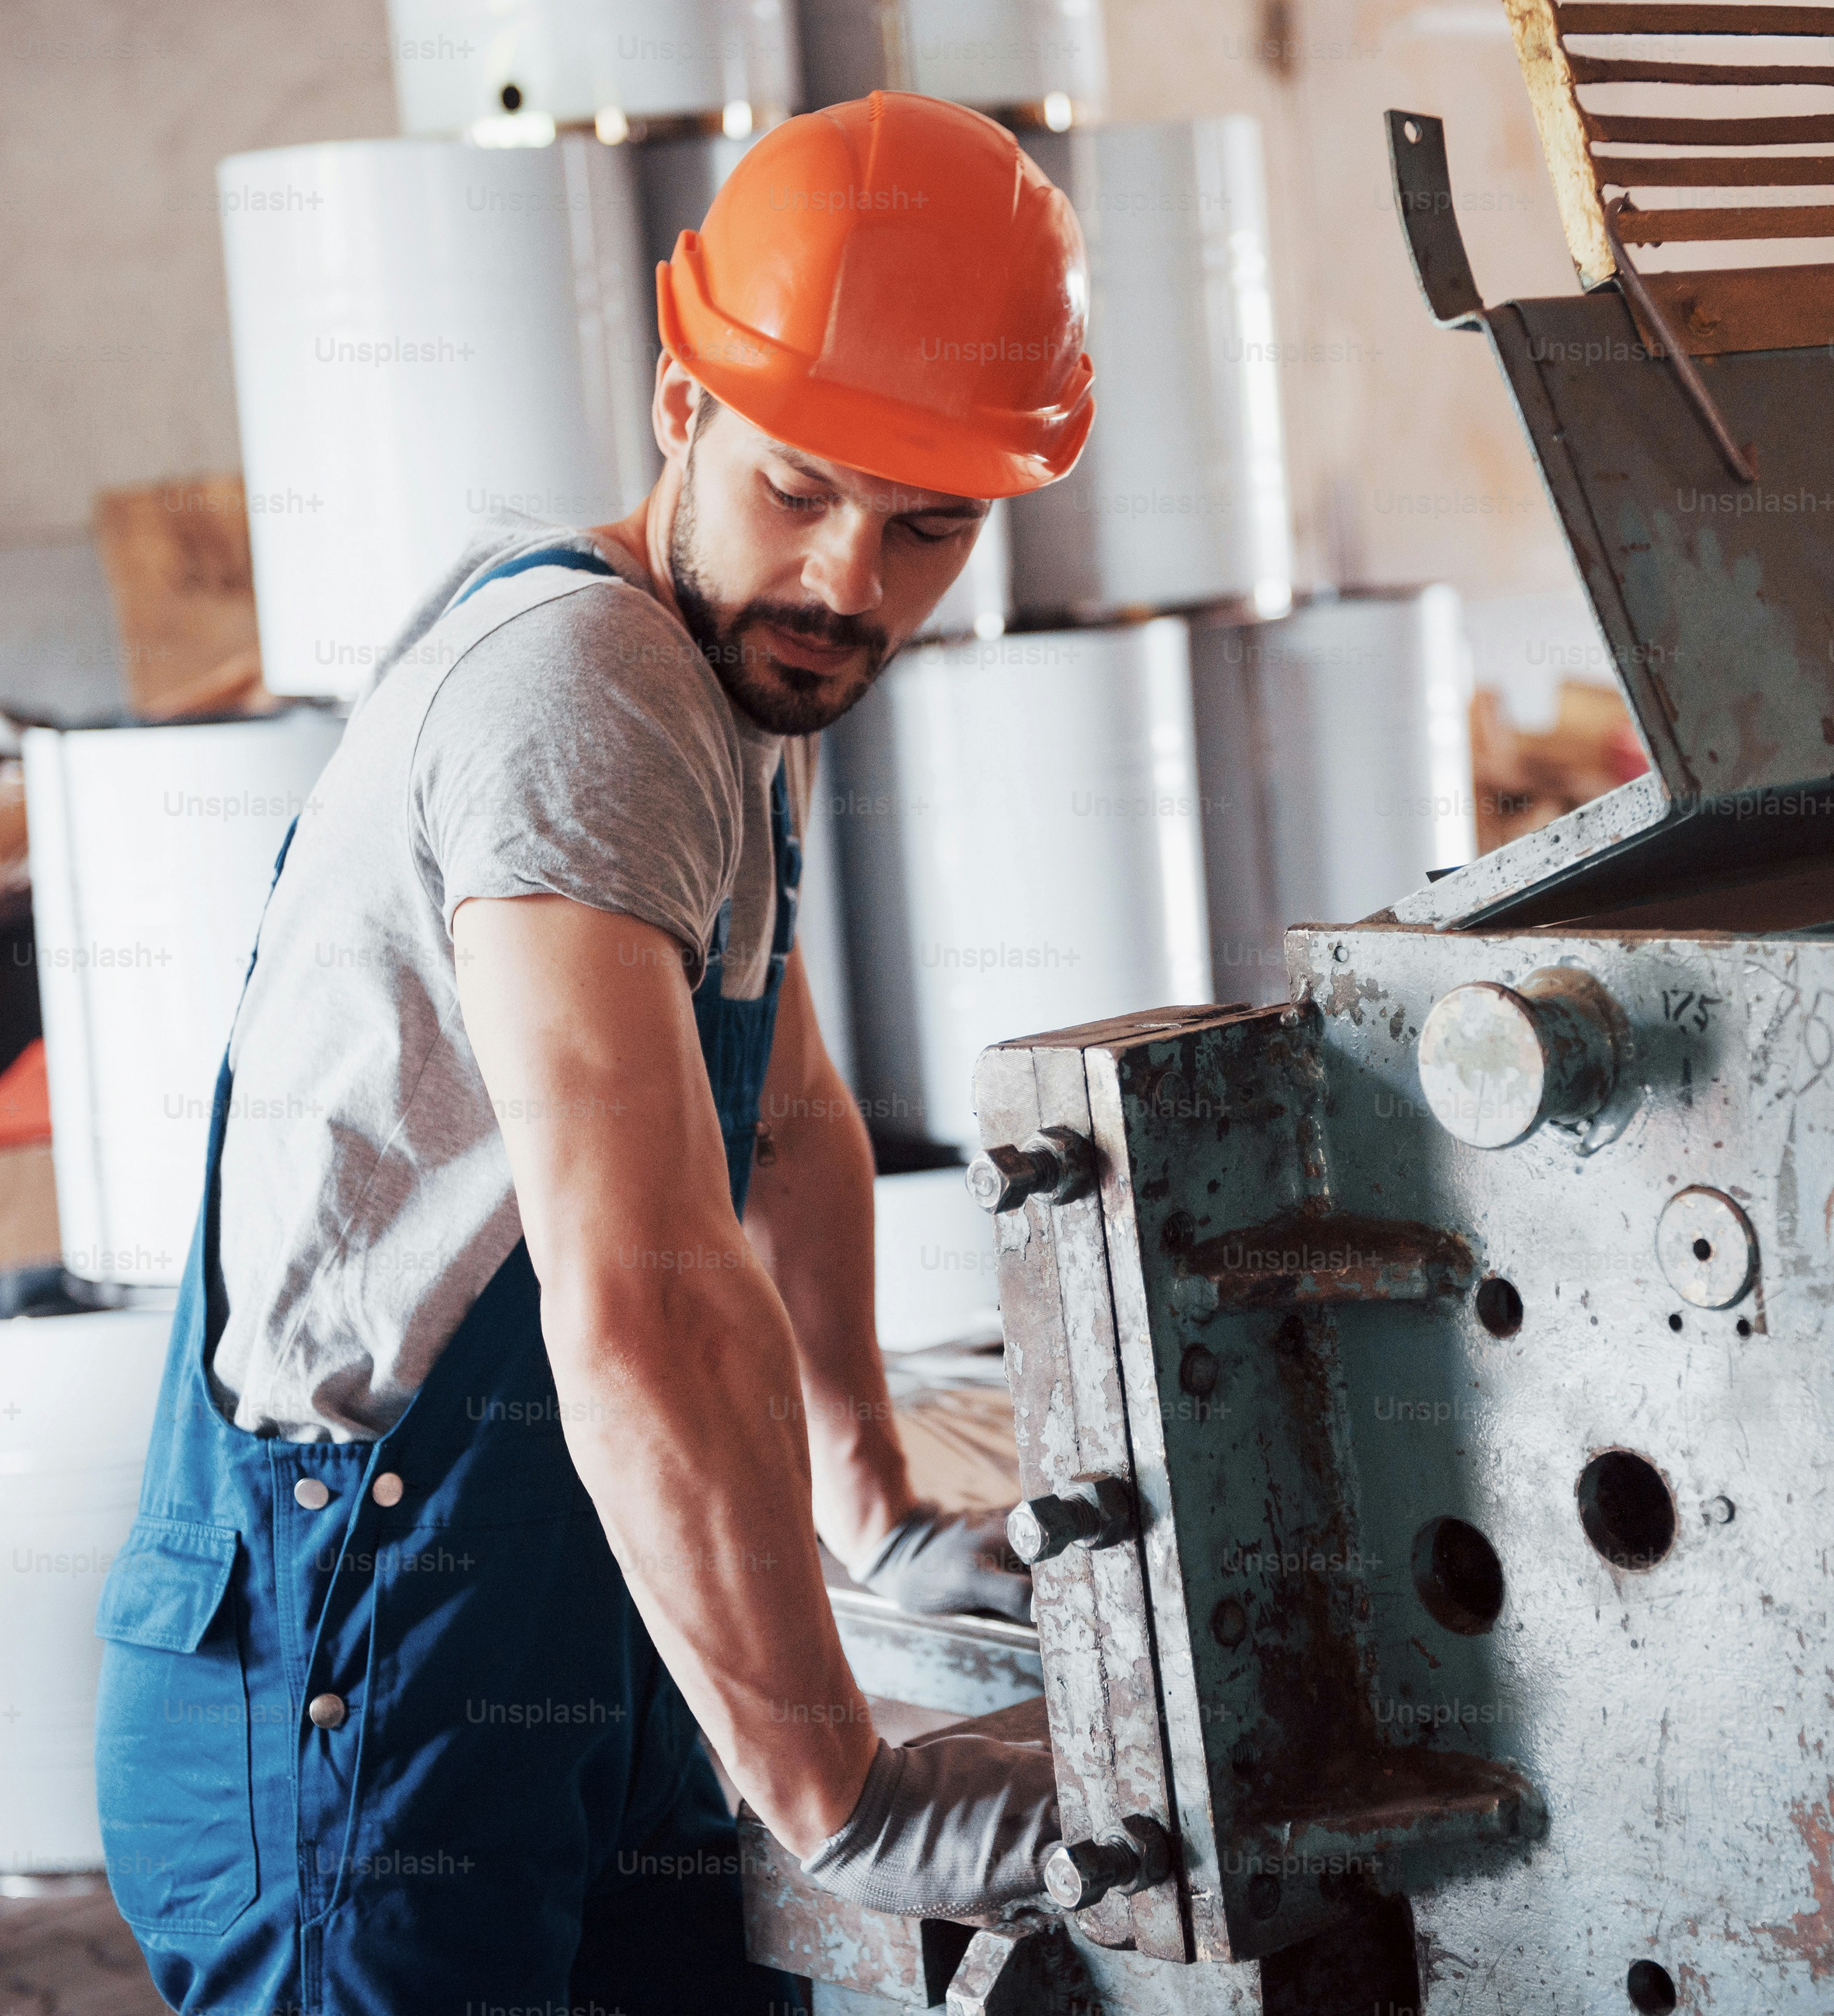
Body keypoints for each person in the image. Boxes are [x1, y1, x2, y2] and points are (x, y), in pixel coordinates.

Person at [91, 92, 1092, 2012]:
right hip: (363, 1671)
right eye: (802, 489)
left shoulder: (726, 690)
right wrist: (837, 1783)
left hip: (575, 1598)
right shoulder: (590, 693)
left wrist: (865, 1489)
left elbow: (785, 1125)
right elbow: (639, 1280)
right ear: (678, 403)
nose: (849, 585)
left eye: (930, 527)